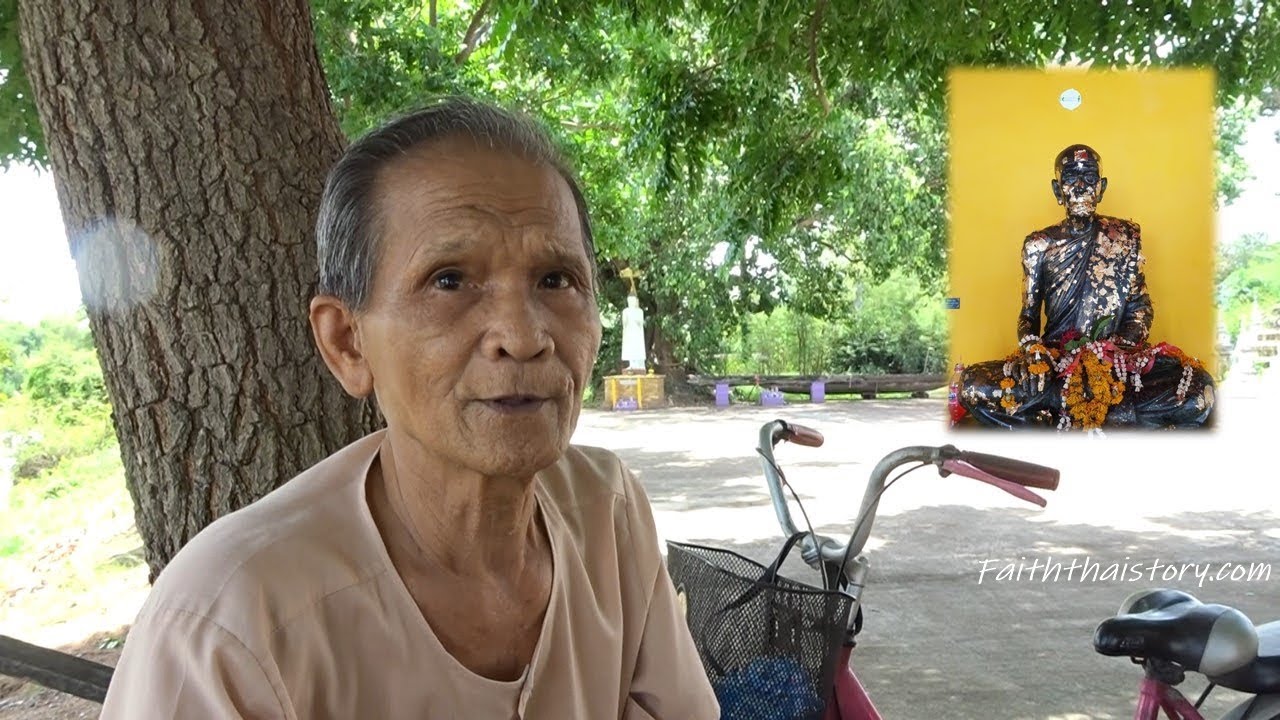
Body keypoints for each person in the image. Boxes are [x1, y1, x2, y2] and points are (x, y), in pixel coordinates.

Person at [100, 98, 719, 719]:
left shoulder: (605, 512)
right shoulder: (226, 627)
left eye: (555, 280)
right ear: (347, 342)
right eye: (449, 280)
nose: (524, 335)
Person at [958, 144, 1214, 430]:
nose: (1080, 186)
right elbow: (1028, 316)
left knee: (1197, 388)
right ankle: (1102, 413)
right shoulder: (1039, 245)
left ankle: (1057, 416)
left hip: (1113, 365)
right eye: (1070, 179)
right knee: (972, 384)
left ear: (1101, 188)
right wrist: (1033, 350)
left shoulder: (1122, 239)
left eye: (1090, 178)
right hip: (1056, 366)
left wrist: (1113, 350)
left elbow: (1139, 310)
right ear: (1058, 190)